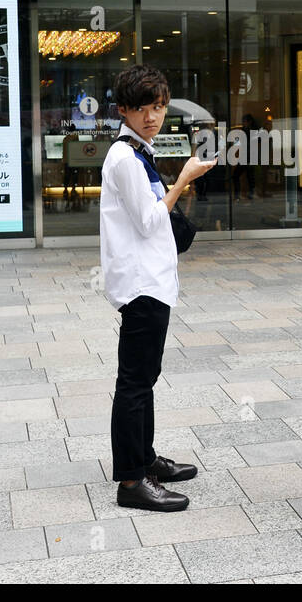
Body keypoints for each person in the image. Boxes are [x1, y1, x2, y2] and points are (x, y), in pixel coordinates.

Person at [99, 64, 216, 513]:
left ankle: (145, 460)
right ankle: (131, 482)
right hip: (141, 284)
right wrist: (183, 180)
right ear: (124, 110)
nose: (152, 116)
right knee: (134, 382)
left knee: (144, 378)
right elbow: (150, 221)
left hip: (154, 281)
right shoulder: (124, 158)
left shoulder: (137, 152)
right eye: (142, 107)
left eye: (159, 106)